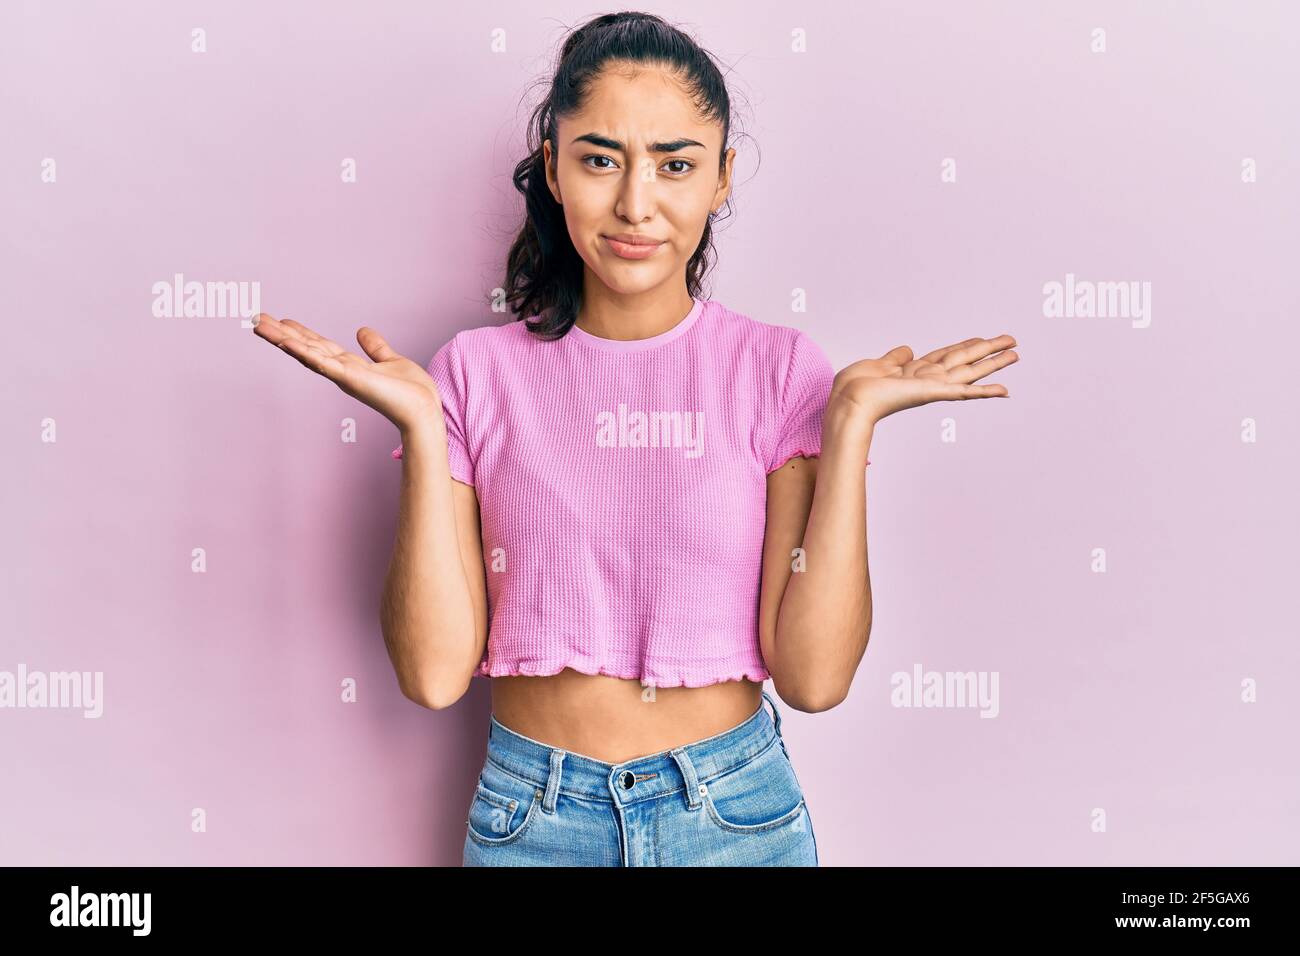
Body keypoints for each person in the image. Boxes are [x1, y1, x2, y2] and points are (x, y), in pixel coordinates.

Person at [251, 11, 1017, 866]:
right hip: (531, 822)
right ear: (552, 167)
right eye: (599, 159)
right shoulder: (472, 375)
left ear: (722, 178)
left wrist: (847, 426)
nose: (635, 204)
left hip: (737, 819)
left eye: (676, 164)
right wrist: (425, 434)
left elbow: (814, 679)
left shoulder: (777, 370)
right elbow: (433, 677)